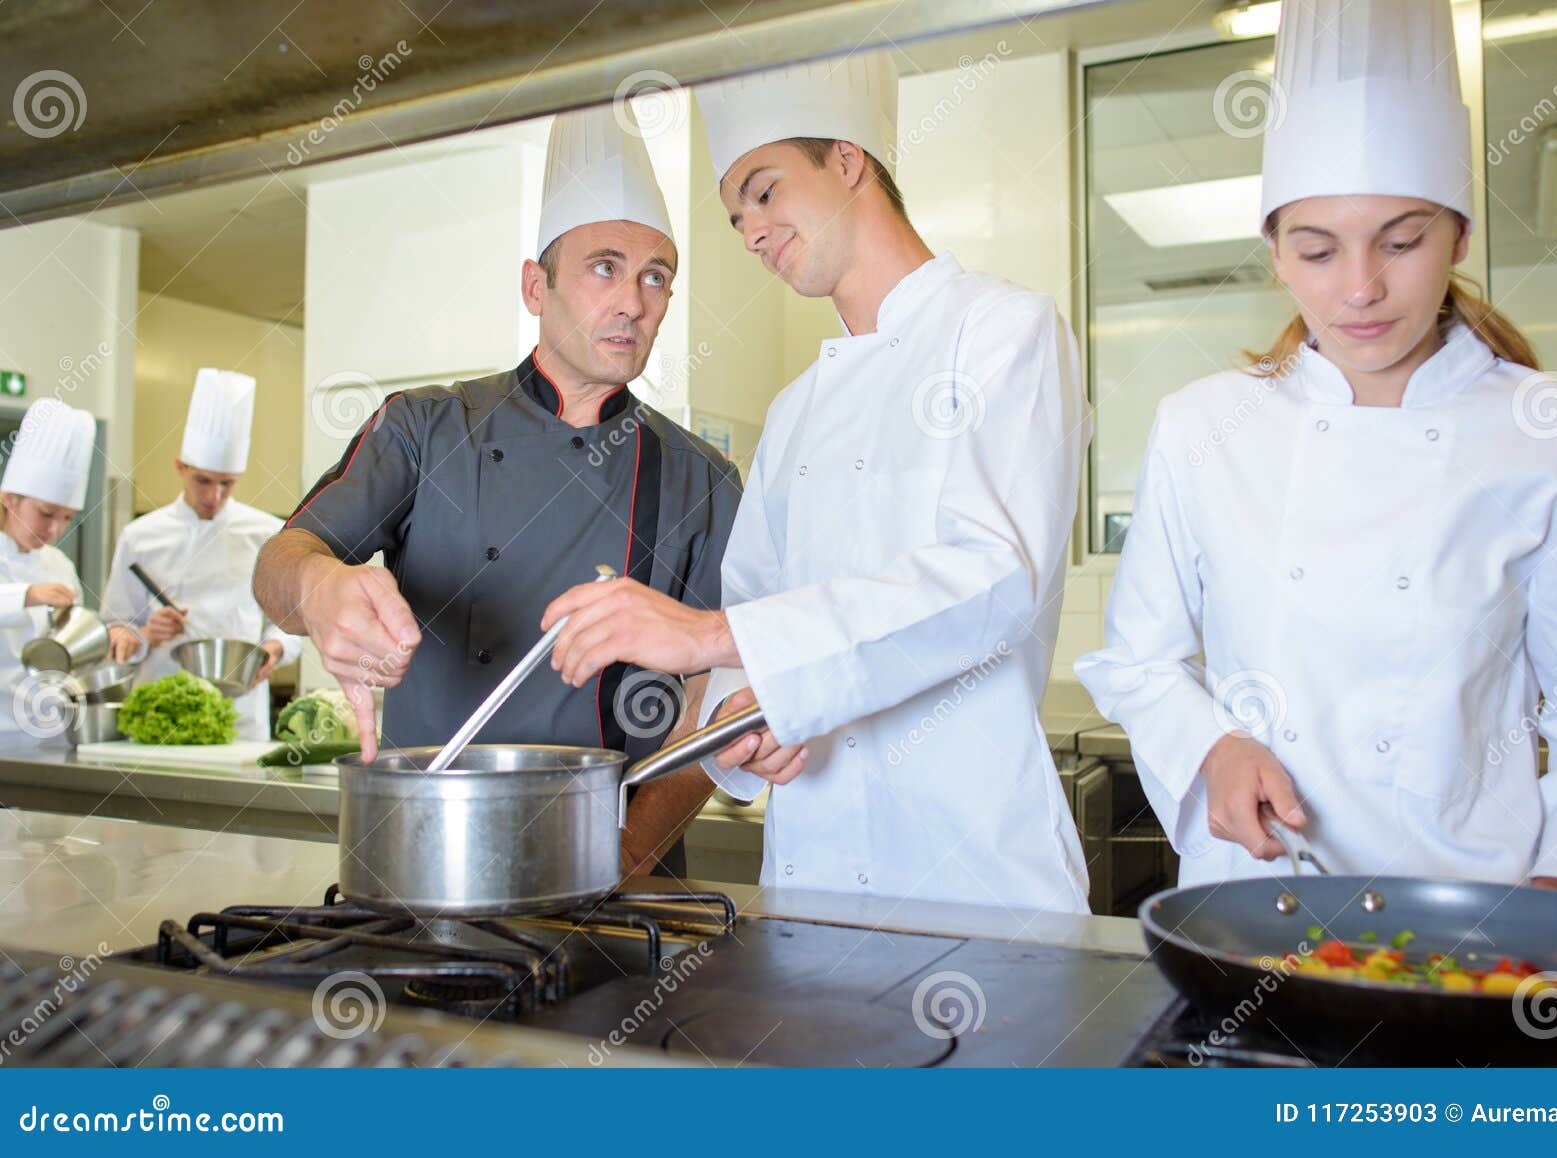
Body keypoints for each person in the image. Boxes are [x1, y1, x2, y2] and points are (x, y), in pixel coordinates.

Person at [542, 53, 1094, 913]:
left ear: (848, 159)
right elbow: (755, 616)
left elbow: (992, 580)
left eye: (764, 192)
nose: (753, 231)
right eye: (734, 218)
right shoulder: (797, 409)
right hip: (813, 882)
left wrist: (712, 637)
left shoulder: (1002, 330)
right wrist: (742, 733)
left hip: (978, 879)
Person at [1076, 0, 1557, 896]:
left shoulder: (1550, 430)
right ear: (1276, 253)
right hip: (1254, 902)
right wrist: (1215, 746)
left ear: (1460, 238)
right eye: (1318, 251)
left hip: (1474, 916)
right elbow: (1137, 662)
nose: (1361, 289)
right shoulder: (1204, 425)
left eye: (1402, 242)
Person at [254, 103, 742, 875]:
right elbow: (284, 559)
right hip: (428, 857)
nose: (634, 302)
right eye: (604, 267)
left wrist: (627, 853)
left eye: (657, 278)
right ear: (534, 286)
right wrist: (316, 588)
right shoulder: (425, 427)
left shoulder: (702, 478)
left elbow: (719, 693)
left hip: (618, 878)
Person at [101, 370, 302, 740]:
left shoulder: (267, 533)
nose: (214, 496)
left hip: (241, 717)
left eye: (227, 483)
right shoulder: (140, 535)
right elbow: (115, 627)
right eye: (203, 481)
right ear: (181, 467)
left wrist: (272, 649)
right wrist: (146, 633)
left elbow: (292, 624)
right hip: (160, 710)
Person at [1, 398, 143, 738]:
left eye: (67, 518)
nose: (54, 531)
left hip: (46, 730)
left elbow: (72, 654)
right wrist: (27, 596)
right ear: (9, 498)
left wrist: (106, 640)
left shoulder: (59, 565)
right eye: (46, 513)